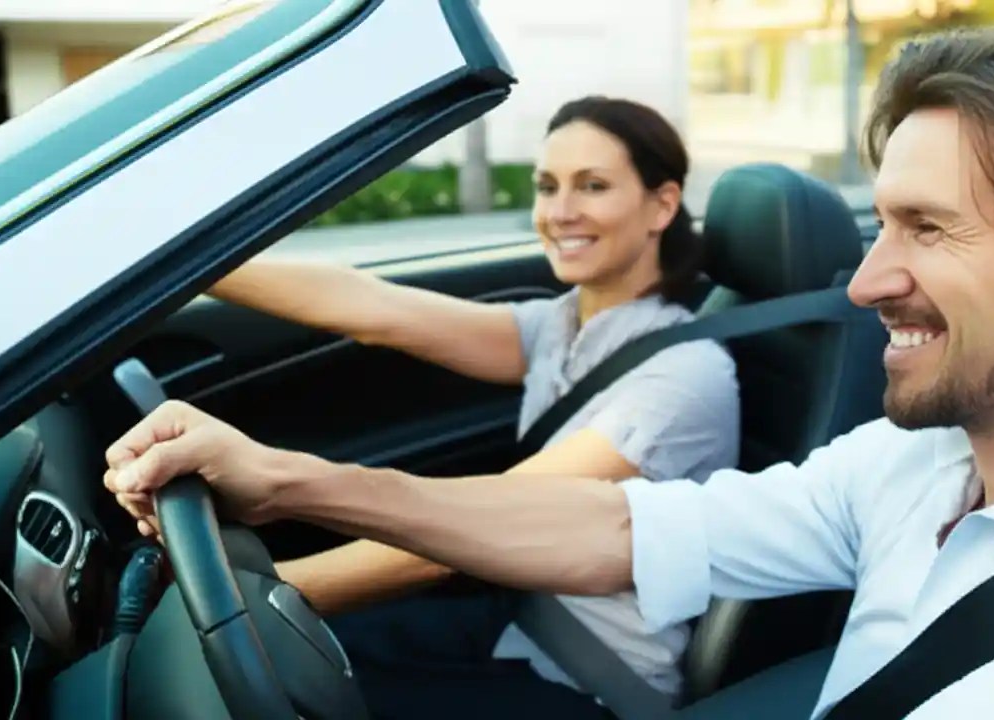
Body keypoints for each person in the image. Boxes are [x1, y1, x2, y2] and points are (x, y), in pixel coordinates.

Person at [105, 26, 994, 718]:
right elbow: (618, 533)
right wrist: (300, 485)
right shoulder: (910, 461)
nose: (864, 284)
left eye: (928, 230)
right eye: (876, 227)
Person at [188, 96, 740, 716]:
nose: (560, 212)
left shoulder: (683, 377)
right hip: (518, 618)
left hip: (592, 681)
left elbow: (480, 524)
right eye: (546, 186)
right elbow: (375, 310)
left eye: (593, 186)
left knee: (291, 689)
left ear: (662, 204)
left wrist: (248, 604)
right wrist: (188, 262)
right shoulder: (562, 328)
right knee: (302, 665)